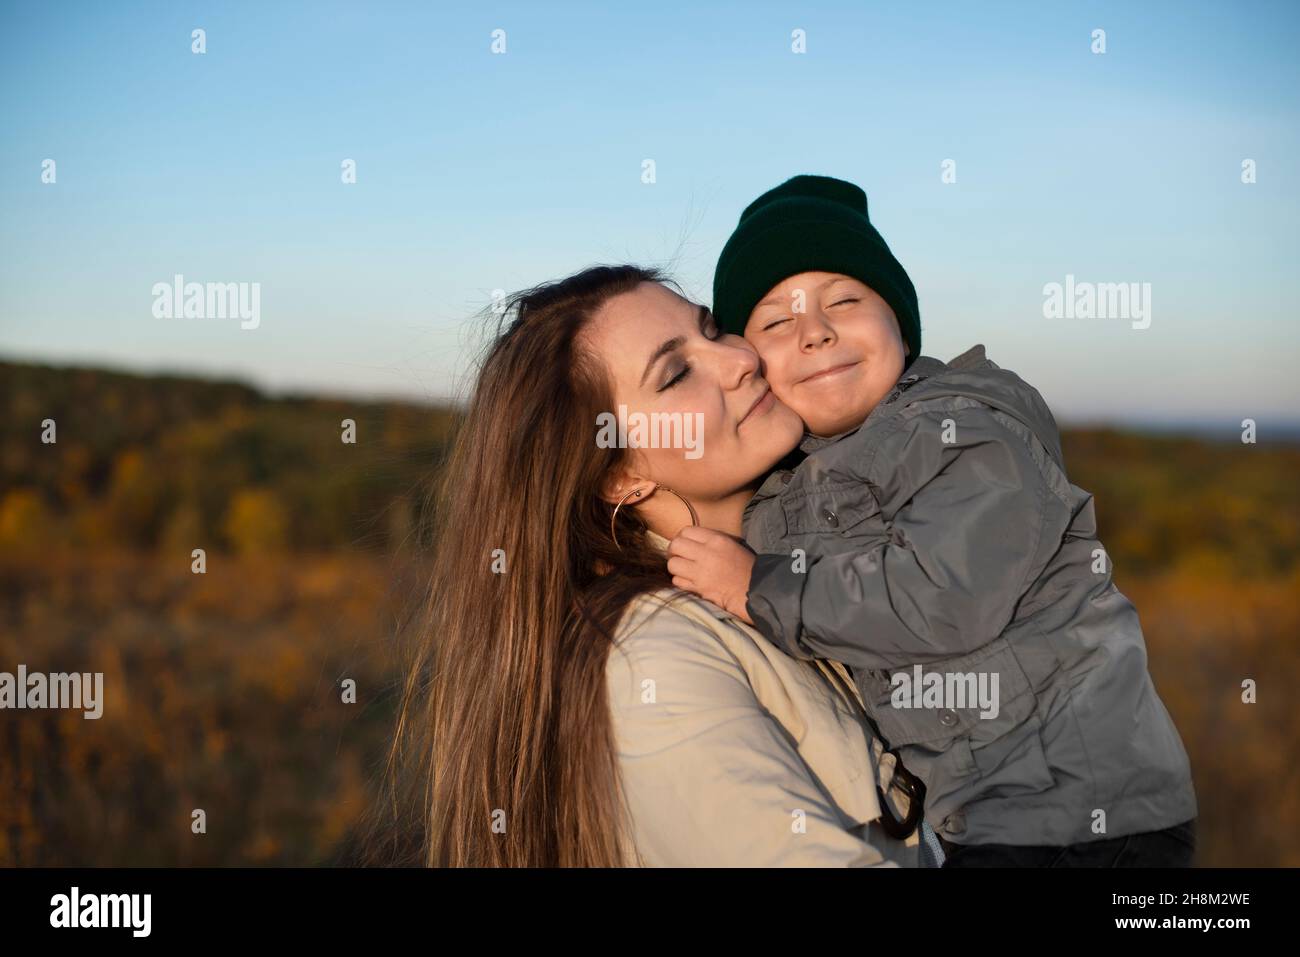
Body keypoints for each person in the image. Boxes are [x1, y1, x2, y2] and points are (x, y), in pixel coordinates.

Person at [666, 174, 1198, 866]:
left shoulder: (970, 430)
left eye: (846, 300)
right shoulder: (789, 480)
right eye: (776, 321)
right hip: (980, 816)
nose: (816, 331)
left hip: (1080, 812)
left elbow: (943, 597)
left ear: (899, 321)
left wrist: (758, 587)